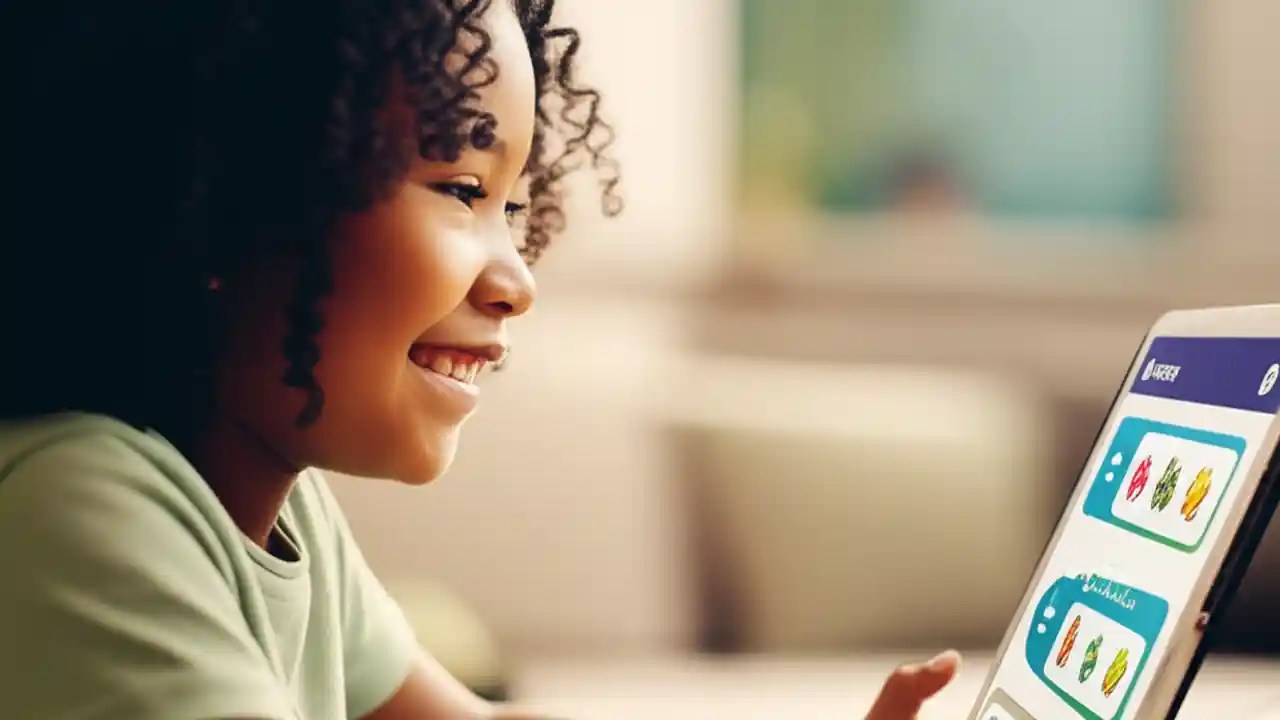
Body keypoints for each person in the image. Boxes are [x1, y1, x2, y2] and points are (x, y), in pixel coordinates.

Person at [0, 1, 959, 718]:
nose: (517, 279)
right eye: (462, 187)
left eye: (512, 203)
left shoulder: (282, 517)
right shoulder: (81, 511)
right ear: (225, 202)